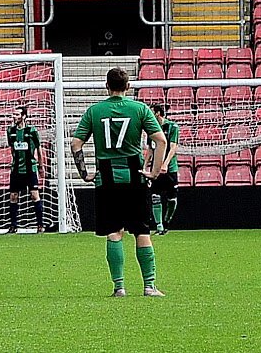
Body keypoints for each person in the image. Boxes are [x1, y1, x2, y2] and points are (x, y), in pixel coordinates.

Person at [70, 67, 168, 298]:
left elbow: (76, 143)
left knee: (114, 233)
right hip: (135, 177)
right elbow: (161, 140)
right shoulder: (140, 109)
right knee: (142, 232)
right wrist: (153, 172)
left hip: (106, 179)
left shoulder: (95, 111)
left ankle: (119, 287)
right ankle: (149, 286)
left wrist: (84, 174)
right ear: (128, 87)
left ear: (106, 86)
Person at [5, 108, 45, 234]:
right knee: (13, 196)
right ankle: (13, 226)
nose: (14, 117)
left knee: (34, 195)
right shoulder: (10, 131)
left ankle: (40, 225)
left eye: (16, 114)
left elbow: (38, 148)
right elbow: (12, 148)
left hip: (30, 168)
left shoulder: (32, 131)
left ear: (24, 116)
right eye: (13, 114)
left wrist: (41, 165)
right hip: (16, 169)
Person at [150, 101, 181, 235]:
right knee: (155, 196)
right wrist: (145, 166)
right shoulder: (151, 129)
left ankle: (167, 221)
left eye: (152, 112)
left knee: (172, 199)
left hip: (170, 168)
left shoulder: (172, 127)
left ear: (157, 113)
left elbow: (173, 147)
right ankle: (159, 226)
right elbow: (151, 150)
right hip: (155, 168)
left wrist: (166, 163)